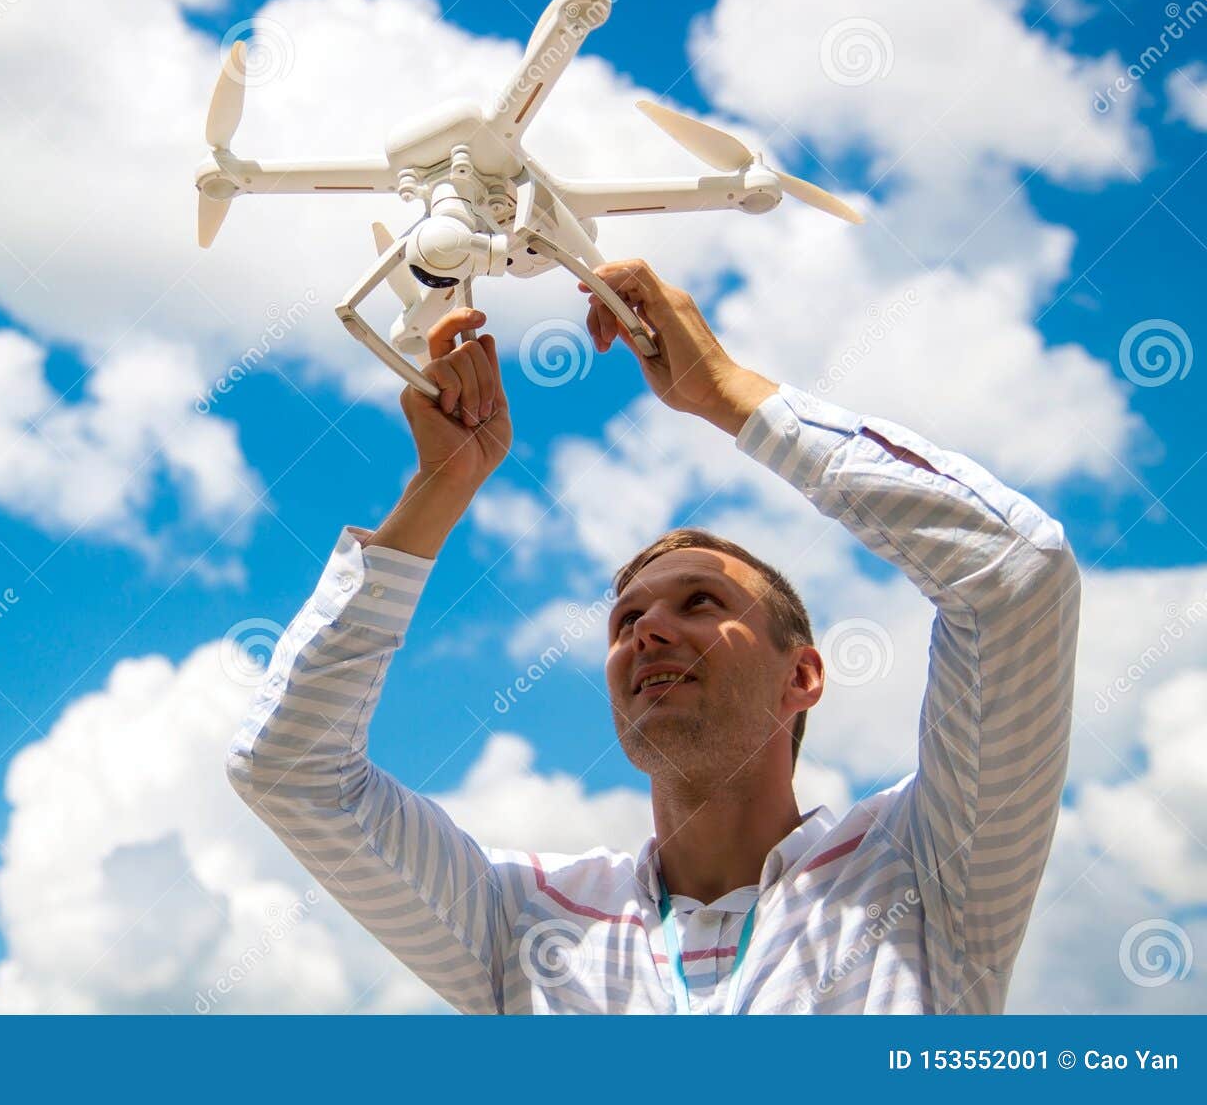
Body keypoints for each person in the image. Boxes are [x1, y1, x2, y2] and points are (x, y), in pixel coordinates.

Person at [226, 260, 1081, 1014]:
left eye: (703, 603)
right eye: (625, 621)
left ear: (805, 675)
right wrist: (439, 489)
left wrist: (727, 392)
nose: (651, 631)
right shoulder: (522, 921)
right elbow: (290, 770)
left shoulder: (925, 871)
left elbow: (1016, 570)